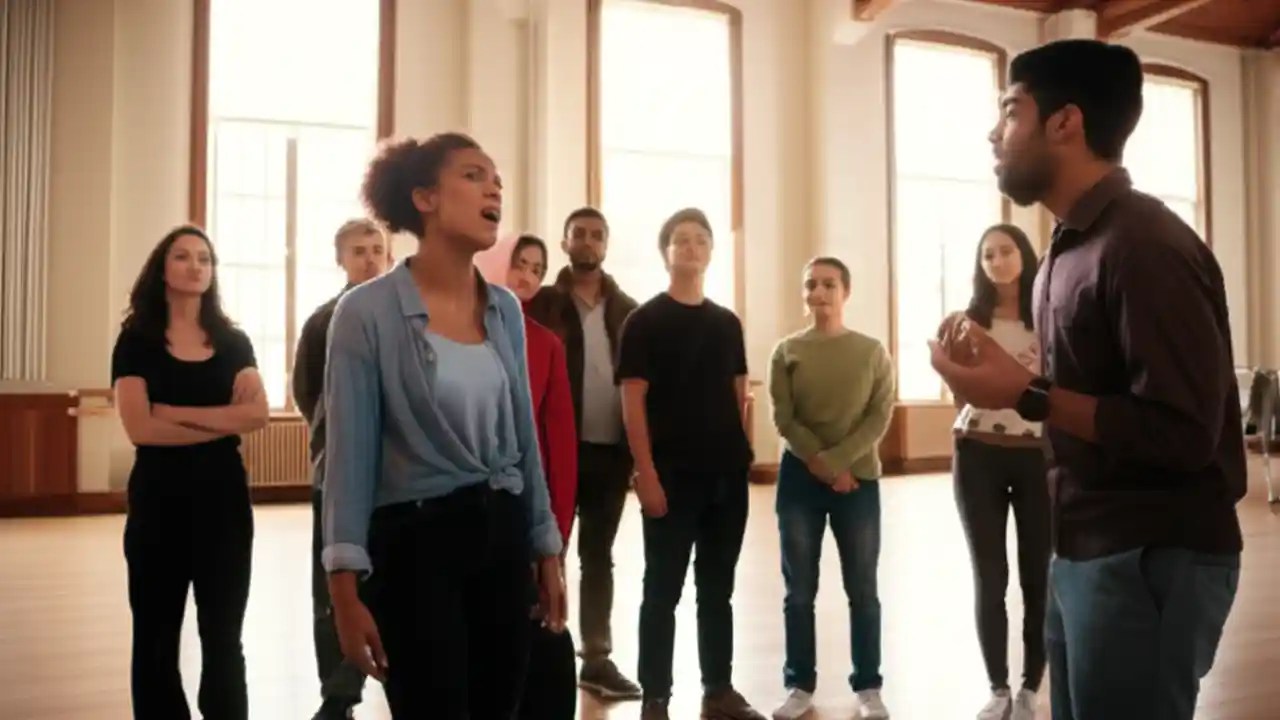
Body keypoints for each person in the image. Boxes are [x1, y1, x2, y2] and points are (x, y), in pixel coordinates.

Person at [930, 39, 1244, 720]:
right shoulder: (1066, 253)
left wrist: (1021, 393)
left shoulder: (1144, 245)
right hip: (1082, 548)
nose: (994, 131)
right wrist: (997, 381)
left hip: (1152, 555)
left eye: (1010, 111)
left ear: (1064, 123)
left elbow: (1184, 433)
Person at [322, 132, 567, 718]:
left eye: (497, 179)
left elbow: (523, 439)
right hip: (413, 546)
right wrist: (343, 586)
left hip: (501, 536)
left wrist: (546, 545)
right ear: (425, 198)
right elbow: (348, 458)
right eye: (474, 175)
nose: (495, 188)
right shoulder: (365, 313)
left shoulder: (505, 308)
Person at [111, 225, 268, 720]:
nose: (196, 266)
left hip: (223, 506)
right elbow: (140, 429)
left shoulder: (234, 342)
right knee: (155, 639)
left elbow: (258, 415)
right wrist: (222, 422)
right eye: (183, 256)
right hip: (158, 505)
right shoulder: (136, 341)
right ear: (163, 269)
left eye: (205, 258)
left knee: (224, 639)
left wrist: (173, 412)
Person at [617, 207, 765, 720]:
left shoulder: (727, 323)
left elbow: (740, 394)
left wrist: (744, 458)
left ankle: (717, 690)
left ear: (710, 252)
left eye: (701, 239)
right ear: (666, 252)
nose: (692, 246)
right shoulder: (644, 321)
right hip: (671, 477)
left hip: (726, 477)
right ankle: (655, 697)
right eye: (681, 239)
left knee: (717, 590)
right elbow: (632, 400)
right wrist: (646, 473)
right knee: (662, 591)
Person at [768, 257, 895, 720]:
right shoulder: (786, 351)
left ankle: (868, 685)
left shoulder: (871, 351)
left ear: (846, 291)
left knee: (863, 587)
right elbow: (784, 418)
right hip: (801, 479)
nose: (819, 292)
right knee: (798, 590)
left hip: (857, 480)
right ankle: (799, 684)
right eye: (811, 285)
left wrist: (840, 463)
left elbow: (879, 414)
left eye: (829, 284)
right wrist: (821, 465)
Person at [526, 207, 641, 700]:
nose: (588, 242)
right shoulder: (544, 305)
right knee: (546, 551)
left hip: (611, 454)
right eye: (579, 234)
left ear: (607, 244)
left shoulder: (627, 309)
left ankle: (596, 658)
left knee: (599, 556)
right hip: (557, 454)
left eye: (597, 235)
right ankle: (536, 644)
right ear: (566, 242)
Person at [936, 225, 1048, 720]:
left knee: (1037, 576)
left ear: (1024, 256)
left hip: (1037, 456)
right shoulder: (964, 323)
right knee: (990, 574)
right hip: (978, 453)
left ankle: (1030, 689)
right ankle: (998, 688)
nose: (997, 260)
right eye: (987, 254)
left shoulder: (1048, 316)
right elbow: (959, 391)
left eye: (1005, 251)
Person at [292, 218, 392, 720]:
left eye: (378, 249)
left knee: (395, 587)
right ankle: (339, 695)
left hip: (396, 478)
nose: (370, 258)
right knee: (332, 589)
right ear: (341, 259)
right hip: (336, 477)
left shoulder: (405, 315)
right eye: (359, 250)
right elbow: (307, 394)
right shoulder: (321, 323)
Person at [498, 233, 581, 720]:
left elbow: (559, 447)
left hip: (530, 510)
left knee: (539, 622)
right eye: (519, 263)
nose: (526, 275)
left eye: (536, 268)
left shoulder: (547, 345)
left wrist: (557, 533)